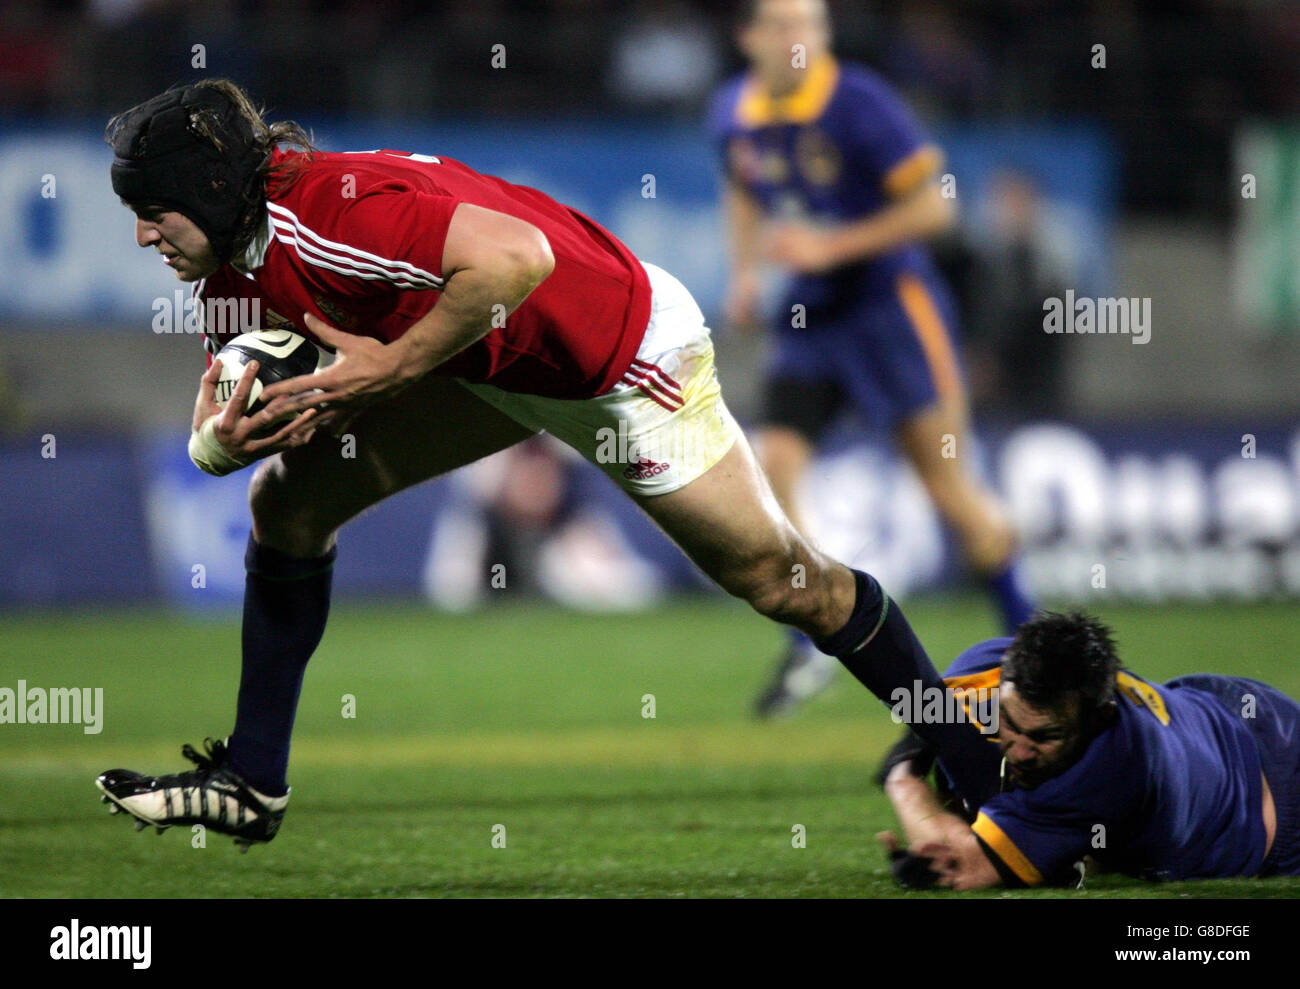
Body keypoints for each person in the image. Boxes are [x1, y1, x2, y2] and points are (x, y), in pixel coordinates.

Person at [94, 78, 994, 851]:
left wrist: (394, 366)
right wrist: (214, 442)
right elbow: (226, 401)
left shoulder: (332, 216)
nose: (143, 238)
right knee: (285, 502)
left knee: (789, 583)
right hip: (491, 360)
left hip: (619, 351)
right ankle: (252, 781)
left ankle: (981, 766)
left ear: (210, 192)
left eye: (150, 213)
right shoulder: (229, 268)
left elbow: (517, 259)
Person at [710, 0, 1034, 716]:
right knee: (778, 469)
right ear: (750, 37)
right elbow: (740, 189)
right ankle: (811, 634)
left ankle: (1040, 652)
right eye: (785, 25)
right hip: (813, 319)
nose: (801, 40)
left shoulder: (859, 103)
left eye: (812, 25)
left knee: (952, 497)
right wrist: (745, 274)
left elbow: (934, 211)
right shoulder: (733, 110)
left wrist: (829, 246)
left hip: (891, 314)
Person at [875, 611, 1300, 888]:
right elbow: (925, 708)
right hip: (1224, 705)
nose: (1020, 750)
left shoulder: (1112, 768)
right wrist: (923, 741)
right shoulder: (991, 667)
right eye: (1010, 723)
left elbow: (961, 865)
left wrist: (905, 782)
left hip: (1277, 810)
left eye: (1045, 737)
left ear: (1099, 717)